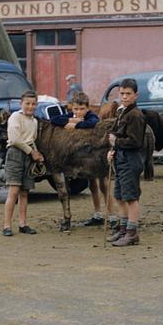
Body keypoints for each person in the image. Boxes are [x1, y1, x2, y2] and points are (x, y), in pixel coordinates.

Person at [50, 91, 110, 226]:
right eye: (76, 109)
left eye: (82, 109)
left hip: (97, 153)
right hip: (85, 156)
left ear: (87, 108)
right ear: (72, 107)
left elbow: (94, 122)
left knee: (104, 184)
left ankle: (111, 215)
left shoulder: (91, 116)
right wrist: (70, 120)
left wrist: (76, 125)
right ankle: (98, 214)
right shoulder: (71, 116)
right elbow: (54, 120)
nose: (78, 112)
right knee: (92, 185)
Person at [106, 78, 146, 246]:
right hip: (121, 158)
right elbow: (117, 135)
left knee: (131, 198)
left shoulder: (135, 115)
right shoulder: (123, 112)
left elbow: (135, 141)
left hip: (130, 159)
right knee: (120, 196)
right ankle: (123, 230)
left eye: (128, 94)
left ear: (136, 95)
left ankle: (132, 233)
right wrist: (112, 150)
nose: (124, 97)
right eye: (122, 93)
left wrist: (116, 142)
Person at [2, 90, 45, 237]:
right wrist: (31, 152)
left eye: (33, 104)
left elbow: (31, 140)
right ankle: (7, 225)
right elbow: (15, 139)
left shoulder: (34, 121)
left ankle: (23, 224)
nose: (30, 106)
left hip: (28, 155)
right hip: (15, 154)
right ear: (21, 104)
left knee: (25, 192)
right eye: (27, 103)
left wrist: (37, 155)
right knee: (14, 191)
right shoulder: (15, 117)